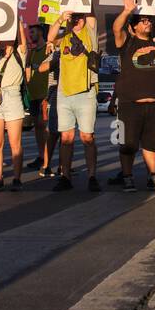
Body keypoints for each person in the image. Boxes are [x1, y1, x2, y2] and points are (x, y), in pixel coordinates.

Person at [112, 0, 155, 192]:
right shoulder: (127, 43)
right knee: (127, 143)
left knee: (152, 142)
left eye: (149, 20)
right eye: (142, 21)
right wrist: (127, 11)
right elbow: (116, 29)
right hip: (130, 103)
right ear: (133, 28)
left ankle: (153, 176)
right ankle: (127, 176)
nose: (147, 23)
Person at [44, 11, 100, 192]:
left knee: (87, 137)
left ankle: (92, 175)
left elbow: (90, 14)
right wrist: (61, 18)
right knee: (66, 138)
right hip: (65, 92)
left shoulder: (89, 31)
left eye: (80, 17)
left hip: (86, 91)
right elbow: (50, 38)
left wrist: (83, 3)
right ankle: (65, 176)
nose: (77, 21)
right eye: (74, 17)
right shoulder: (65, 35)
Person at [0, 25, 30, 192]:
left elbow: (23, 39)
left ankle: (16, 178)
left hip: (13, 96)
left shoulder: (19, 53)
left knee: (15, 143)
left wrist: (18, 22)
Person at [23, 24, 56, 178]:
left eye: (33, 32)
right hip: (34, 96)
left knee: (46, 127)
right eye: (29, 32)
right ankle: (41, 156)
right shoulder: (33, 51)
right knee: (37, 128)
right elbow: (28, 70)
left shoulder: (48, 49)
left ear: (41, 33)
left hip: (46, 95)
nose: (31, 35)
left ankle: (48, 160)